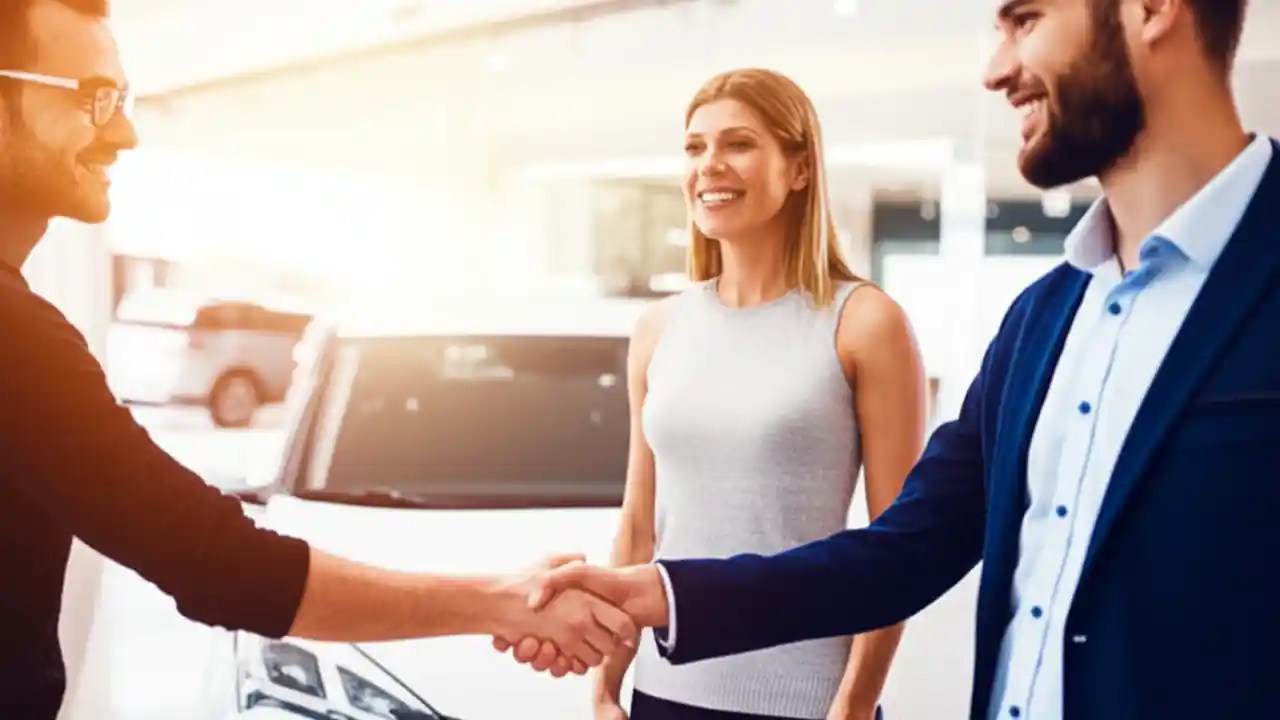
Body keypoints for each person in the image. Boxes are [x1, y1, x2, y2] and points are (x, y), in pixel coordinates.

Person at [508, 1, 1280, 718]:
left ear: (1151, 8)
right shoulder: (1043, 321)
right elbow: (899, 553)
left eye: (1026, 19)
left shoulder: (866, 322)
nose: (994, 69)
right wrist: (657, 596)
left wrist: (846, 703)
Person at [0, 2, 634, 718]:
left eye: (121, 99)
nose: (123, 131)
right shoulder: (14, 339)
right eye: (93, 98)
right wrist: (502, 603)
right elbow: (216, 563)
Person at [499, 67, 925, 720]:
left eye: (739, 144)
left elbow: (895, 549)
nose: (710, 165)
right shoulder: (658, 328)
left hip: (806, 702)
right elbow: (640, 528)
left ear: (801, 169)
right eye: (695, 148)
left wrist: (854, 705)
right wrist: (606, 687)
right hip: (665, 692)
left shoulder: (865, 323)